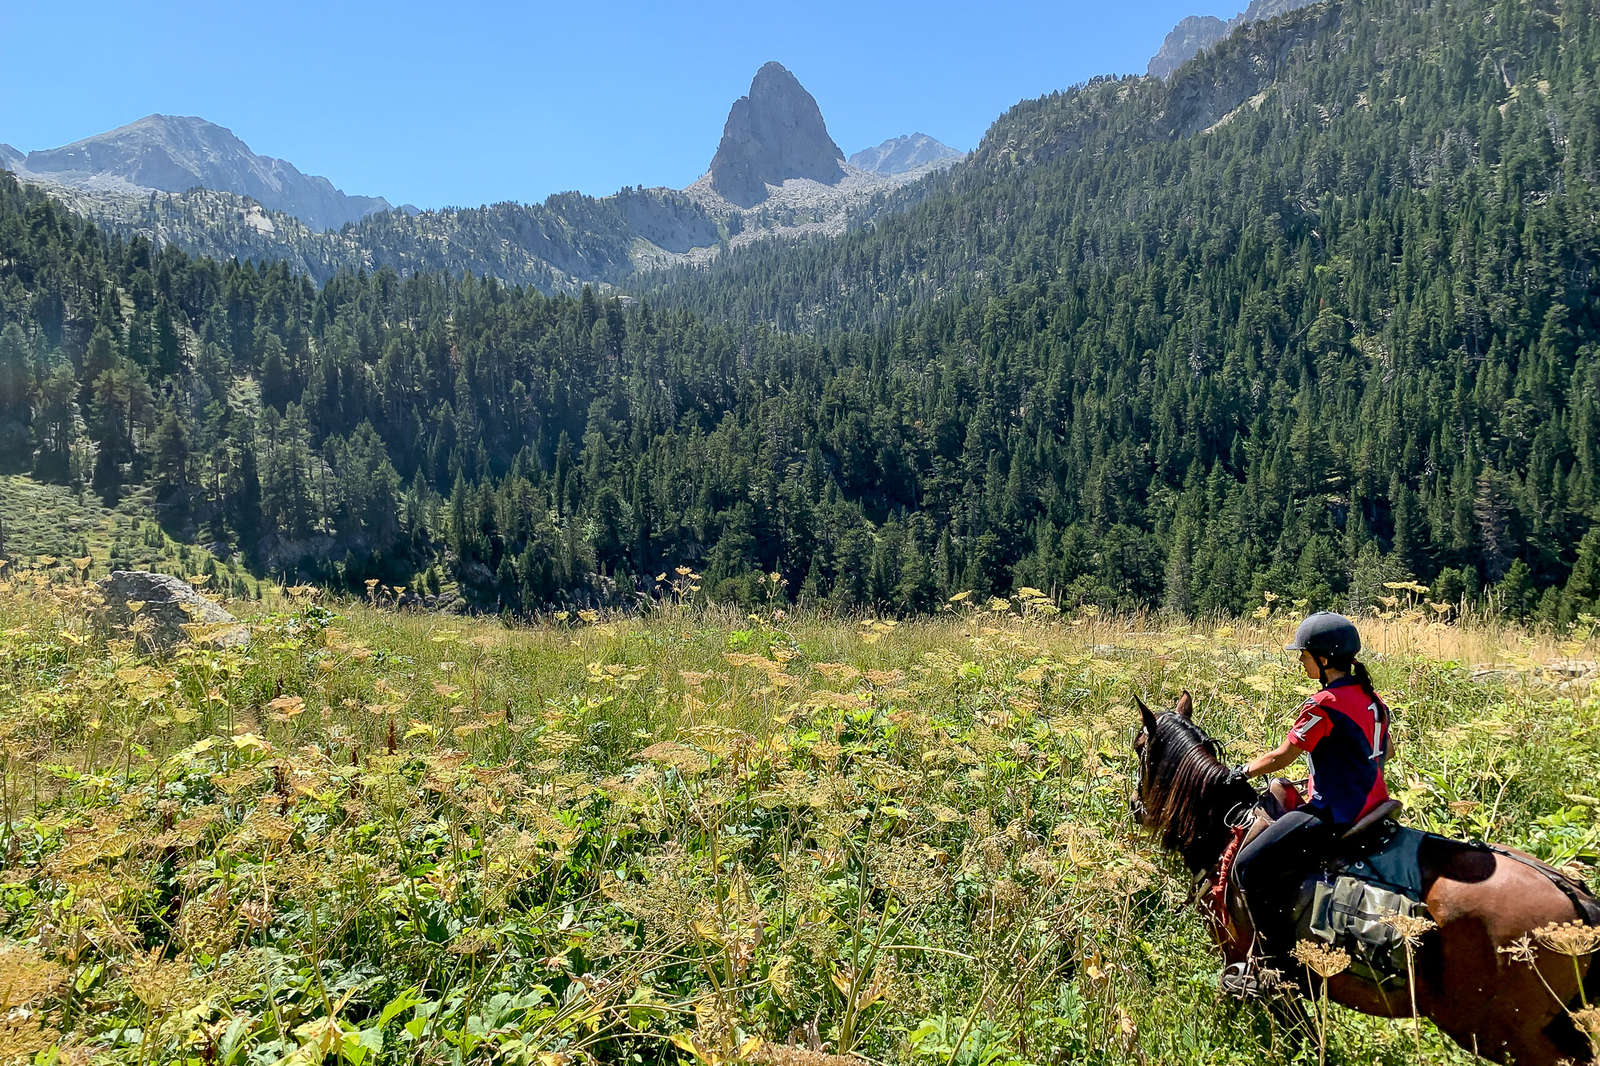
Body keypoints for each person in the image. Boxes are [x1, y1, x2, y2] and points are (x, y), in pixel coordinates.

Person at [1220, 611, 1393, 997]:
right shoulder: (1373, 699)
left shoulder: (1324, 704)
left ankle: (1271, 964)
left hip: (1337, 812)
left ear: (1325, 659)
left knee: (1247, 867)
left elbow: (1283, 757)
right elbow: (1385, 753)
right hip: (1375, 804)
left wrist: (1240, 772)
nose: (1301, 660)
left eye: (1305, 654)